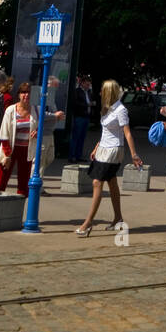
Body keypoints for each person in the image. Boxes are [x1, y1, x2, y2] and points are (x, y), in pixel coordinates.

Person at [75, 80, 142, 236]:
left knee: (97, 182)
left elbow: (127, 133)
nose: (99, 93)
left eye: (102, 90)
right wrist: (96, 147)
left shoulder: (120, 110)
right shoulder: (107, 108)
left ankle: (88, 222)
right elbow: (106, 131)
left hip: (113, 151)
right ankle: (118, 218)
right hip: (103, 149)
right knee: (112, 183)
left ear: (108, 92)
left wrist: (134, 154)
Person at [0, 82, 38, 195]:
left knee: (24, 183)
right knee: (1, 181)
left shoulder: (36, 110)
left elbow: (42, 125)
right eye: (23, 92)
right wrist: (7, 155)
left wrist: (37, 132)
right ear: (19, 94)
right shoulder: (11, 110)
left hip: (26, 150)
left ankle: (19, 207)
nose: (26, 95)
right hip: (10, 149)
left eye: (28, 92)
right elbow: (4, 133)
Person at [69, 74, 93, 163]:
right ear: (82, 83)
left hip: (86, 116)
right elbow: (75, 104)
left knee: (82, 137)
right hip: (79, 116)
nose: (88, 86)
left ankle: (78, 155)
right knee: (76, 136)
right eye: (87, 84)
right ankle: (72, 156)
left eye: (89, 84)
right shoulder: (77, 91)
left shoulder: (89, 92)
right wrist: (87, 105)